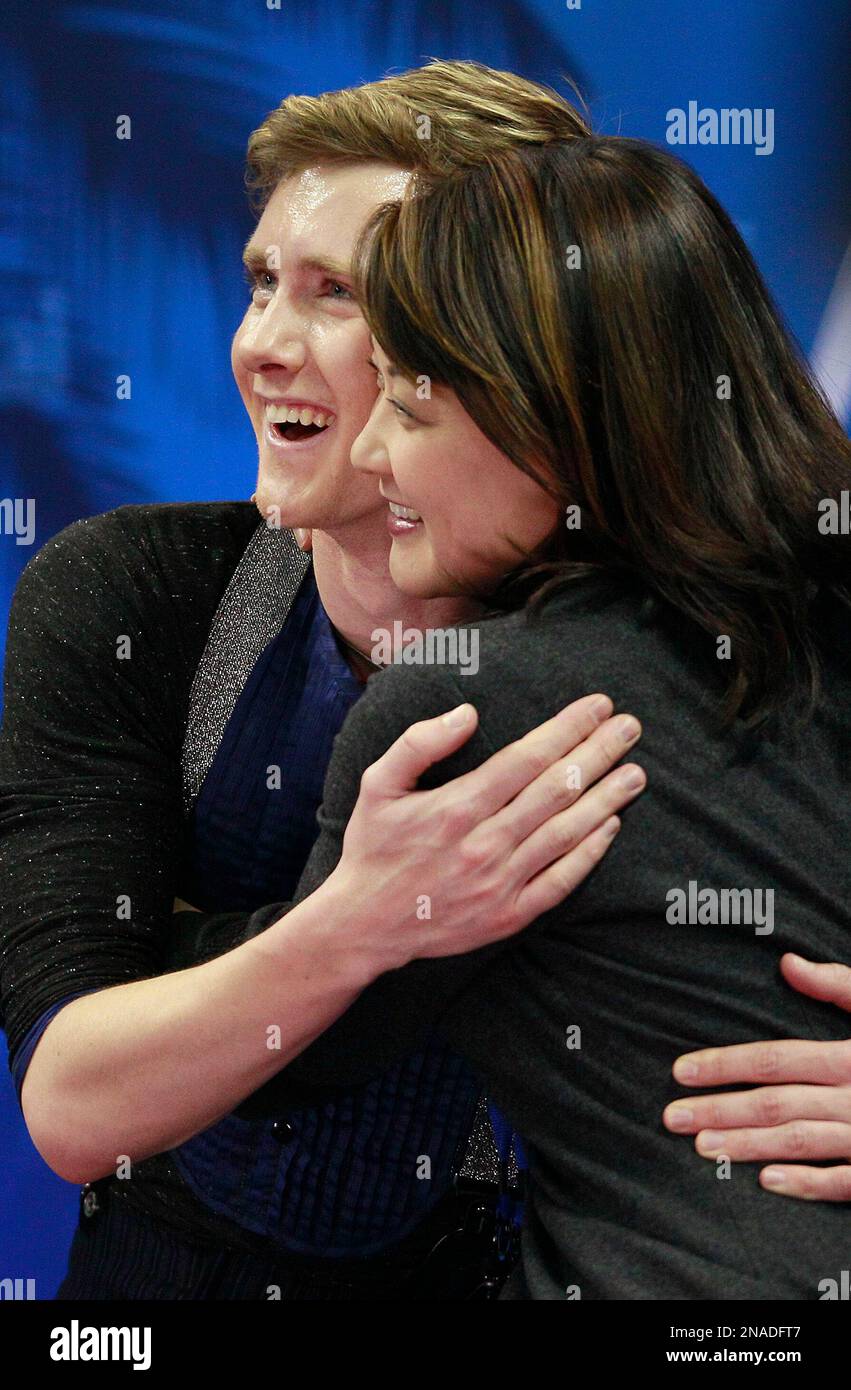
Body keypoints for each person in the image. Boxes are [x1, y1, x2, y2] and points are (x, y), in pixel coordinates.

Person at [0, 62, 643, 1302]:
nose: (263, 347)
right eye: (259, 285)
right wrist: (361, 922)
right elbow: (74, 1100)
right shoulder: (130, 593)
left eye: (335, 295)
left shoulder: (673, 645)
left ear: (492, 337)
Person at [204, 135, 851, 1299]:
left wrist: (328, 924)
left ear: (555, 418)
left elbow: (269, 1069)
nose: (367, 447)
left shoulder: (462, 709)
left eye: (411, 403)